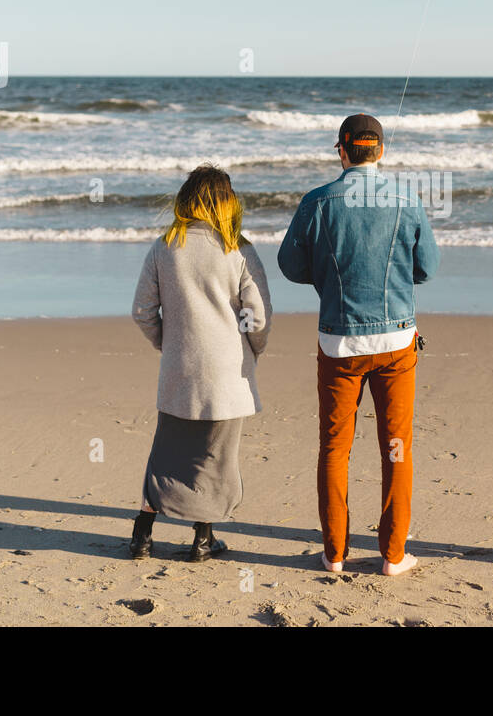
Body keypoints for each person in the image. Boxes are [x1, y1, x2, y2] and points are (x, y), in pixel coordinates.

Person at [277, 114, 439, 576]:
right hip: (395, 342)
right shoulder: (407, 199)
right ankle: (392, 555)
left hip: (339, 341)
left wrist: (328, 276)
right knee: (396, 446)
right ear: (381, 152)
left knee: (334, 447)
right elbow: (427, 268)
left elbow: (290, 263)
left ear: (343, 152)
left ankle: (334, 554)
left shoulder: (317, 201)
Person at [128, 164, 271, 563]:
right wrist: (252, 350)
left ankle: (142, 535)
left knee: (166, 454)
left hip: (180, 369)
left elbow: (142, 311)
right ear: (227, 204)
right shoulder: (238, 249)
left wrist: (169, 345)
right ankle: (203, 540)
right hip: (227, 373)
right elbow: (256, 317)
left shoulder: (164, 246)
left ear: (187, 199)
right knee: (215, 456)